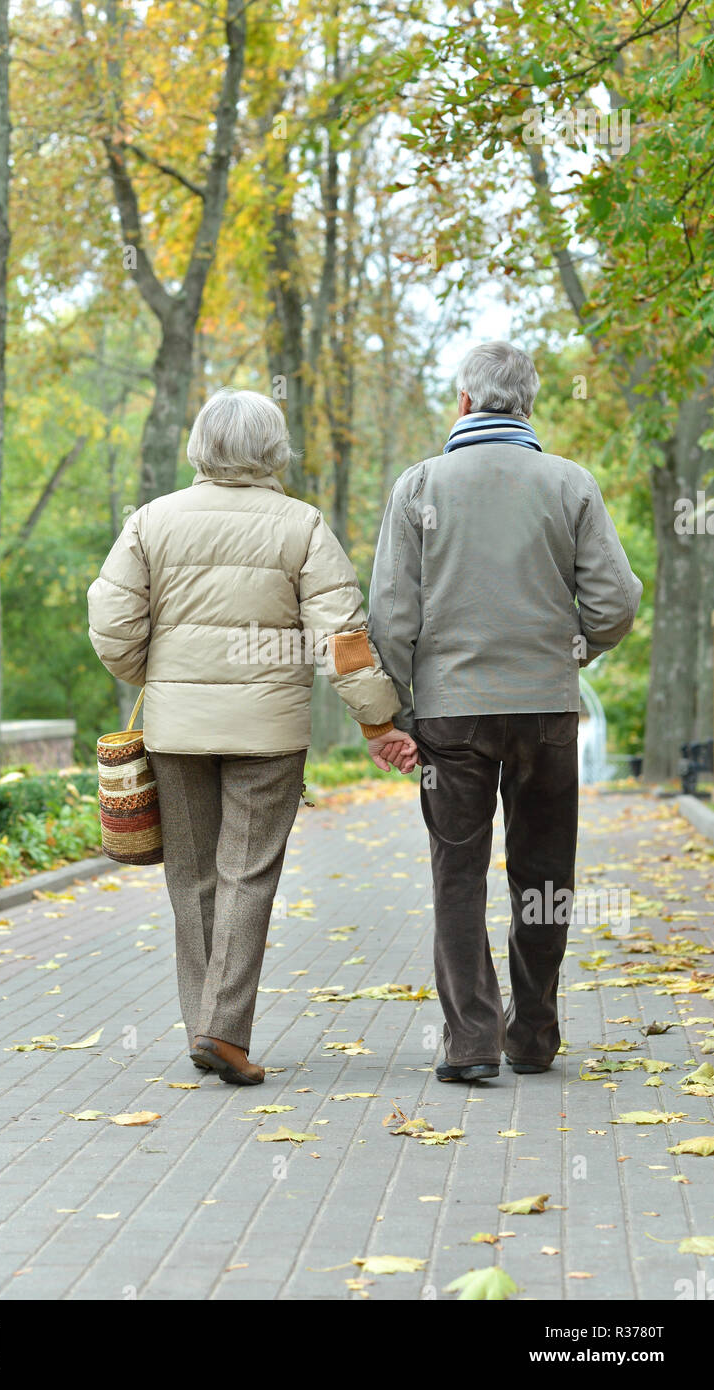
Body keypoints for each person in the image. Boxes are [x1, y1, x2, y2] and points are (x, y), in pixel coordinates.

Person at [87, 388, 416, 1085]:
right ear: (274, 450)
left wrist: (158, 672)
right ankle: (223, 1031)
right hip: (268, 734)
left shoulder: (151, 522)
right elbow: (343, 640)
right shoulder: (300, 526)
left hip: (175, 733)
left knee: (193, 879)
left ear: (199, 446)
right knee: (247, 875)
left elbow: (112, 624)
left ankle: (207, 1030)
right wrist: (377, 718)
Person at [369, 341, 642, 1083]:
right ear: (529, 403)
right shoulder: (567, 483)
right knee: (544, 875)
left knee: (457, 874)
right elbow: (616, 601)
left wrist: (394, 711)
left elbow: (390, 614)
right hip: (545, 711)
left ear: (462, 403)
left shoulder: (418, 486)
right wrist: (569, 651)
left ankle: (469, 1043)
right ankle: (533, 1036)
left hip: (450, 717)